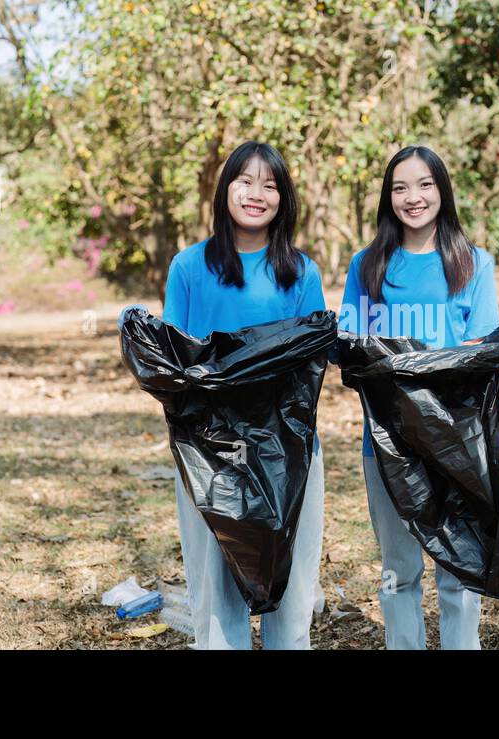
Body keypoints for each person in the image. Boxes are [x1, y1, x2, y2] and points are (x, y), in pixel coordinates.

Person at [161, 141, 327, 649]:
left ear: (284, 198)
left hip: (288, 451)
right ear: (225, 188)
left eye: (270, 184)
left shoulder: (301, 273)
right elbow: (174, 364)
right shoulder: (189, 268)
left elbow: (311, 360)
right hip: (208, 453)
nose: (256, 194)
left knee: (293, 591)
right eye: (245, 181)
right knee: (215, 597)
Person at [339, 145, 499, 650]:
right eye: (400, 187)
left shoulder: (473, 263)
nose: (413, 197)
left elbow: (483, 349)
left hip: (456, 444)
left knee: (458, 567)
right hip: (387, 443)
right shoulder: (368, 266)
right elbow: (348, 347)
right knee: (400, 569)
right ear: (388, 198)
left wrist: (411, 362)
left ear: (442, 190)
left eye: (425, 184)